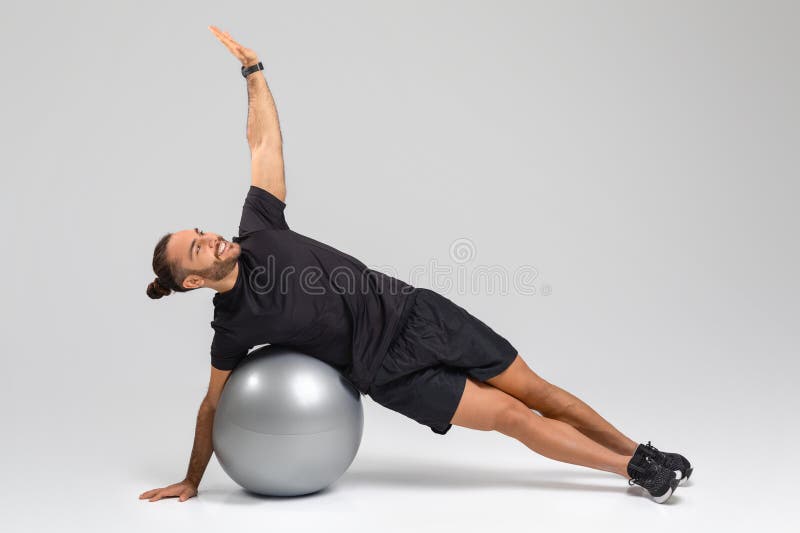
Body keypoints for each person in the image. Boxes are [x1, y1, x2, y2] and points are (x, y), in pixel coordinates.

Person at [139, 26, 692, 505]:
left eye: (202, 232)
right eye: (197, 248)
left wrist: (253, 71)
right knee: (513, 418)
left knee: (538, 390)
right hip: (390, 372)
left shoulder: (259, 226)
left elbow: (264, 145)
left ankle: (639, 452)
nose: (210, 238)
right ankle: (635, 471)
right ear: (192, 281)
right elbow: (213, 404)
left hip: (417, 312)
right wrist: (191, 479)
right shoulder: (232, 328)